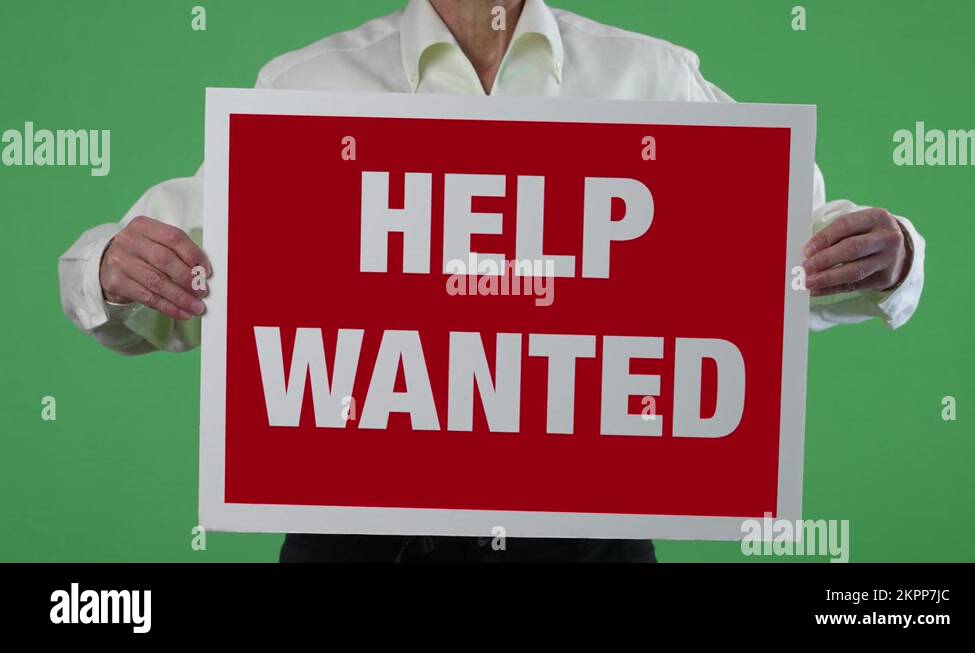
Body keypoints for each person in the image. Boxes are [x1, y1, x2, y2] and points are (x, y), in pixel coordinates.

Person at [58, 0, 926, 562]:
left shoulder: (652, 79)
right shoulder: (306, 86)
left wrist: (889, 255)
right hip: (353, 548)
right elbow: (155, 277)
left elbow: (795, 258)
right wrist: (109, 263)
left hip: (589, 549)